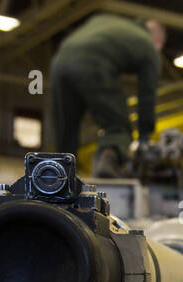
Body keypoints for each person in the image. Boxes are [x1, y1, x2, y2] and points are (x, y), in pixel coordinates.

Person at [49, 15, 166, 178]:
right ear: (158, 42)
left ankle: (56, 176)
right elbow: (147, 94)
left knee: (66, 129)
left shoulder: (106, 21)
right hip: (93, 63)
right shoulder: (149, 46)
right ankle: (107, 162)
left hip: (59, 62)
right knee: (118, 127)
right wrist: (144, 137)